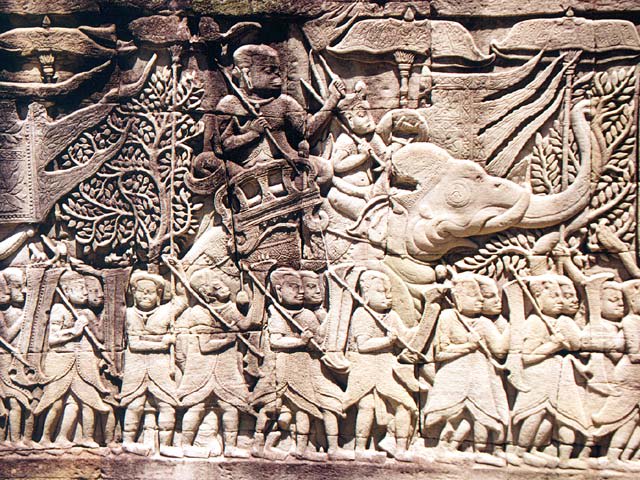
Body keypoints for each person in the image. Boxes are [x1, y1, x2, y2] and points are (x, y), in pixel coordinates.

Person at [215, 44, 344, 184]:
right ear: (247, 74)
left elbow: (306, 131)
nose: (277, 76)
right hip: (248, 169)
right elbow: (222, 147)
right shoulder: (230, 104)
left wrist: (333, 99)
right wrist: (252, 134)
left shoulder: (284, 102)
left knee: (325, 169)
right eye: (269, 71)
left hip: (286, 163)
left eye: (278, 71)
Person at [176, 268, 263, 458]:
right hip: (203, 368)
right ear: (206, 293)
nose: (225, 287)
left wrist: (259, 294)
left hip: (225, 367)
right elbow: (205, 345)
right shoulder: (199, 312)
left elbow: (247, 325)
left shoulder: (229, 308)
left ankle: (230, 446)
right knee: (196, 405)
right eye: (217, 285)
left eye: (222, 283)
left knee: (230, 406)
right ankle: (185, 444)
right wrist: (228, 339)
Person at [424, 273, 509, 466]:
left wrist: (515, 324)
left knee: (483, 415)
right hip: (455, 376)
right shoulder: (448, 317)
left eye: (480, 295)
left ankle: (480, 450)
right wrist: (468, 346)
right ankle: (445, 448)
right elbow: (440, 352)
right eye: (473, 295)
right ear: (458, 298)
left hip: (481, 377)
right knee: (455, 415)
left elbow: (499, 350)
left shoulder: (484, 323)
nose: (480, 299)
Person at [263, 267, 345, 461]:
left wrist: (326, 318)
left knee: (309, 408)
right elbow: (276, 341)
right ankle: (265, 444)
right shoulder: (277, 313)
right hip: (288, 368)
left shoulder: (307, 314)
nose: (300, 292)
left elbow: (320, 341)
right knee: (288, 409)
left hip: (307, 367)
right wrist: (300, 341)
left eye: (301, 287)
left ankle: (307, 447)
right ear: (279, 290)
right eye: (293, 287)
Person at [343, 270, 417, 462]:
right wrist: (387, 341)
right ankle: (360, 448)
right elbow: (363, 345)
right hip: (365, 366)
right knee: (366, 406)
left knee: (404, 404)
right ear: (366, 294)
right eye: (381, 291)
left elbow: (405, 337)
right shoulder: (362, 314)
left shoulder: (391, 316)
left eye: (389, 291)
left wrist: (427, 321)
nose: (388, 296)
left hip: (386, 365)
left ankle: (400, 447)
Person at [511, 275, 583, 468]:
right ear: (537, 298)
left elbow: (576, 344)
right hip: (537, 376)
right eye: (553, 296)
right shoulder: (535, 321)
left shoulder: (557, 321)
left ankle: (535, 448)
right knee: (535, 413)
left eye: (560, 296)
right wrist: (553, 345)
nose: (559, 301)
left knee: (549, 416)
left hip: (553, 376)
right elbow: (527, 356)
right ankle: (520, 451)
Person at [36, 270, 111, 448]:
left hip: (84, 361)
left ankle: (81, 437)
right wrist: (74, 330)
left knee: (85, 401)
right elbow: (52, 338)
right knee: (56, 402)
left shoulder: (87, 313)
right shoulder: (59, 309)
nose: (85, 292)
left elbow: (100, 337)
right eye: (79, 288)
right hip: (62, 361)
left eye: (85, 288)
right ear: (67, 291)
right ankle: (45, 438)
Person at [120, 271, 186, 457]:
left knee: (167, 404)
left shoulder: (166, 311)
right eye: (140, 292)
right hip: (136, 366)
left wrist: (177, 270)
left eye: (149, 292)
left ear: (158, 295)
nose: (145, 296)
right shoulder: (129, 314)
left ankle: (165, 445)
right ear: (133, 293)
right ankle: (128, 441)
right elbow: (134, 344)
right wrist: (163, 342)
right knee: (134, 404)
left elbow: (182, 299)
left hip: (160, 366)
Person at [0, 269, 34, 447]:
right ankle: (13, 441)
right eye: (18, 287)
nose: (24, 291)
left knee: (28, 404)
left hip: (24, 364)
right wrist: (24, 320)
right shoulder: (5, 312)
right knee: (14, 402)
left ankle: (24, 440)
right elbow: (6, 337)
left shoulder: (22, 311)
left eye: (26, 286)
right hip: (7, 362)